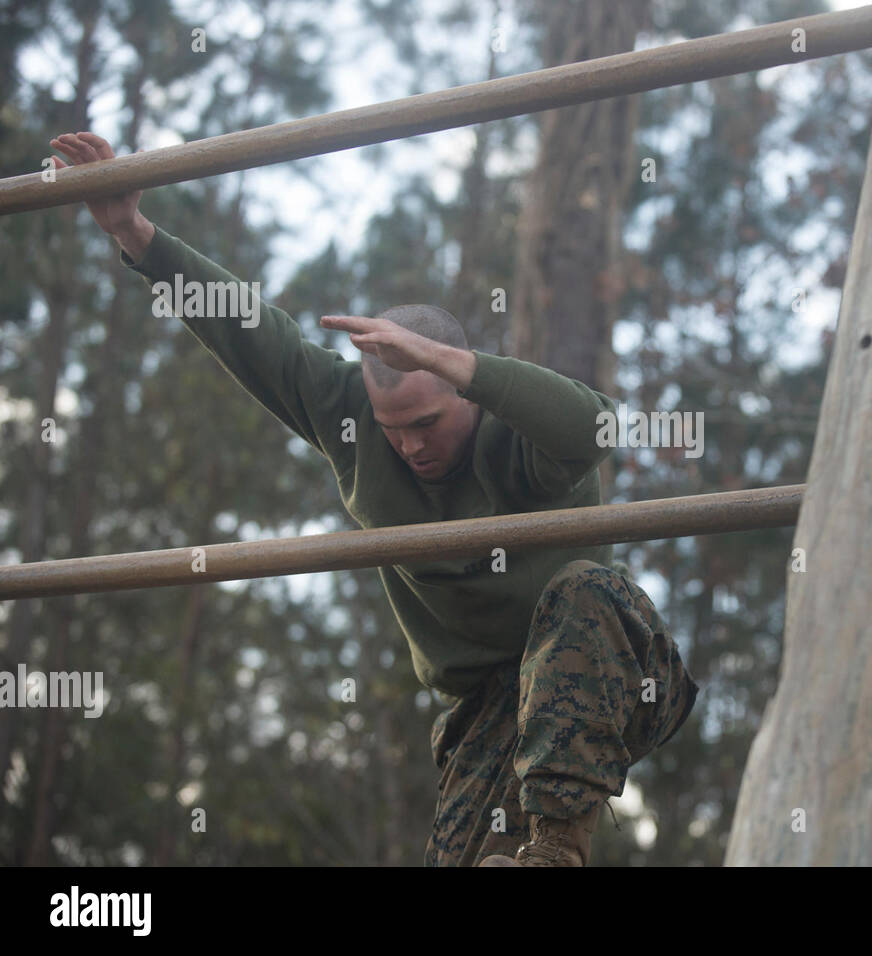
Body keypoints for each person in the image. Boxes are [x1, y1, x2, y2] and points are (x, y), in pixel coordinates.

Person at [49, 131, 699, 867]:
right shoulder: (347, 416)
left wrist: (462, 364)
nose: (411, 446)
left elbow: (600, 424)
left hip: (611, 673)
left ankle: (557, 847)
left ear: (466, 392)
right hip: (487, 712)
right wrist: (135, 232)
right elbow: (251, 333)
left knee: (585, 588)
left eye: (428, 422)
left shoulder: (524, 439)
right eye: (394, 431)